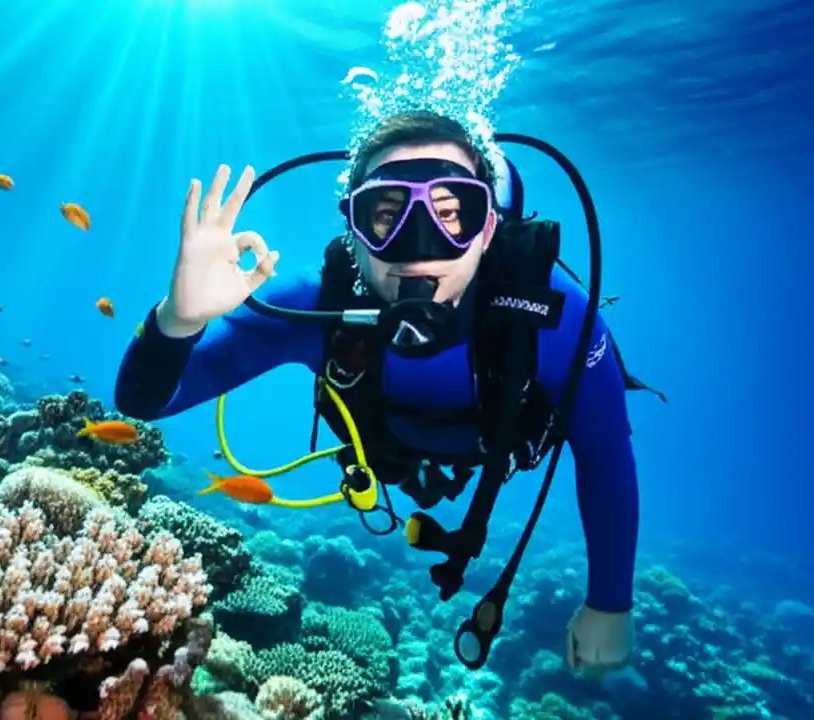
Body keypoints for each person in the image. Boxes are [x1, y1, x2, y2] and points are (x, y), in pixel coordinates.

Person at [113, 110, 650, 673]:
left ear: (488, 228)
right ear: (353, 230)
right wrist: (177, 320)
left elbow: (605, 450)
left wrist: (610, 603)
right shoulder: (317, 303)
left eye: (451, 214)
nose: (418, 247)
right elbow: (145, 402)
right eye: (386, 215)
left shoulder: (556, 316)